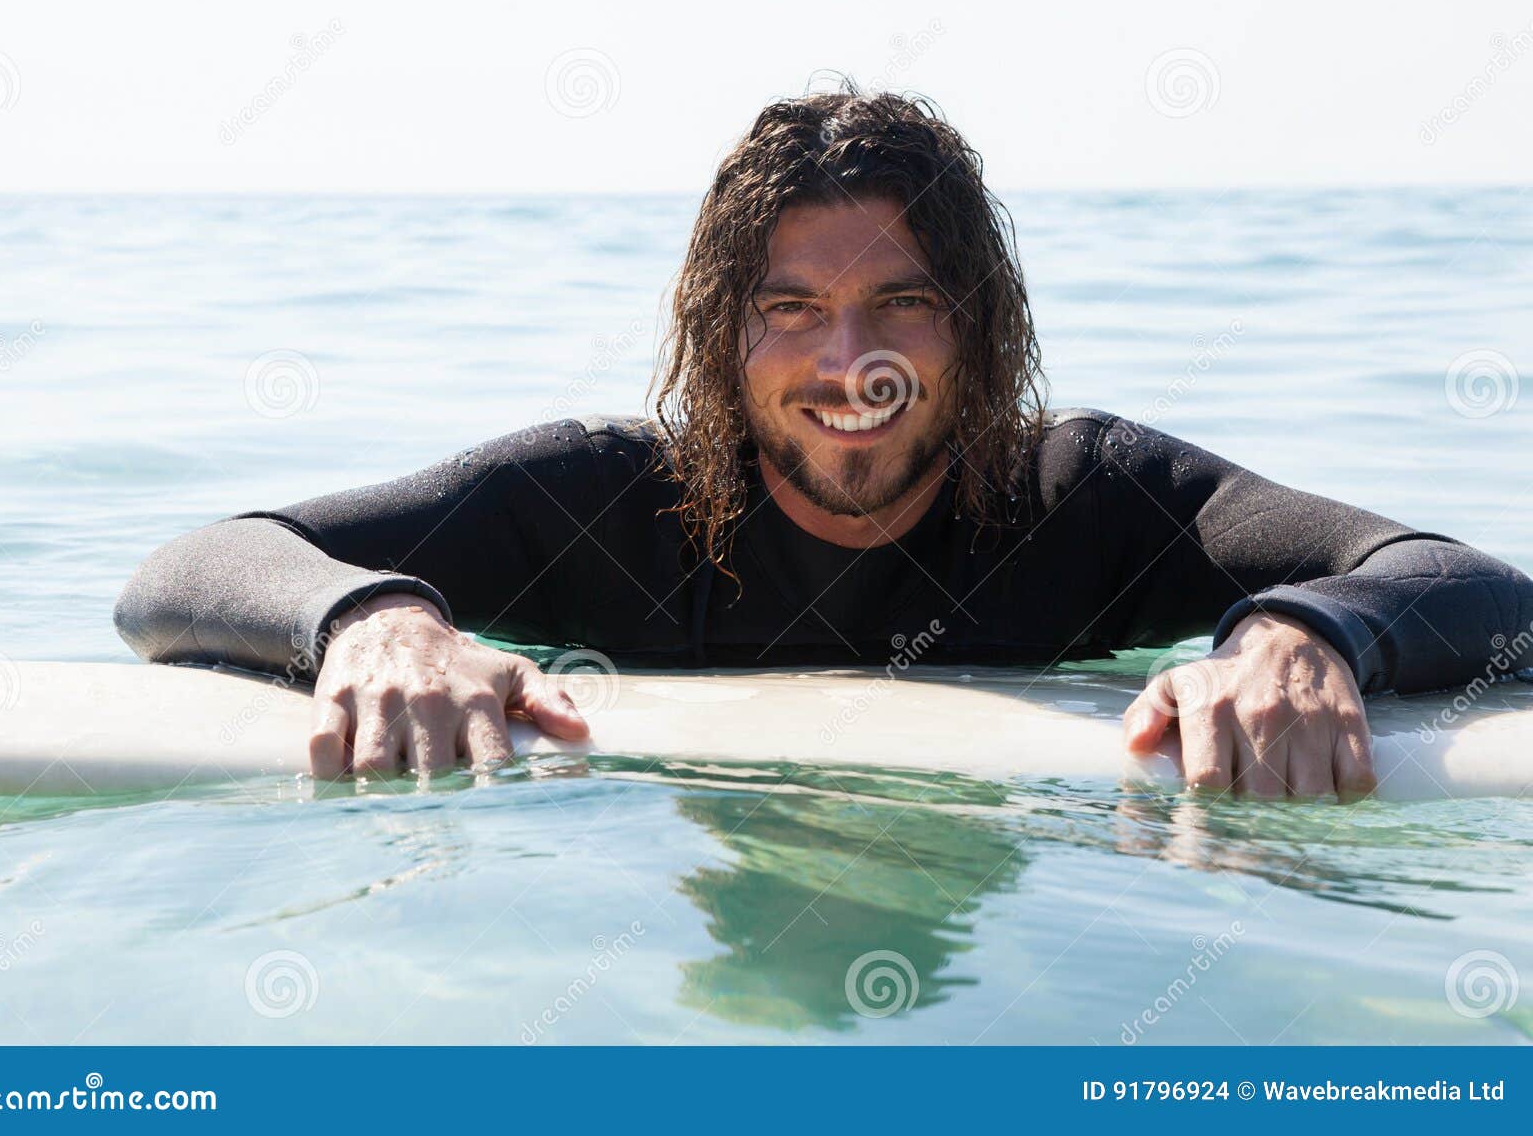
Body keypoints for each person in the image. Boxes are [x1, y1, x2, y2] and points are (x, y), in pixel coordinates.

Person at [114, 87, 1533, 798]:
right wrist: (369, 618)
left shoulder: (1085, 499)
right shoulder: (606, 498)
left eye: (899, 307)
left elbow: (1474, 585)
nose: (847, 362)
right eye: (791, 310)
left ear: (974, 332)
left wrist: (1305, 632)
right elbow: (183, 571)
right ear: (723, 342)